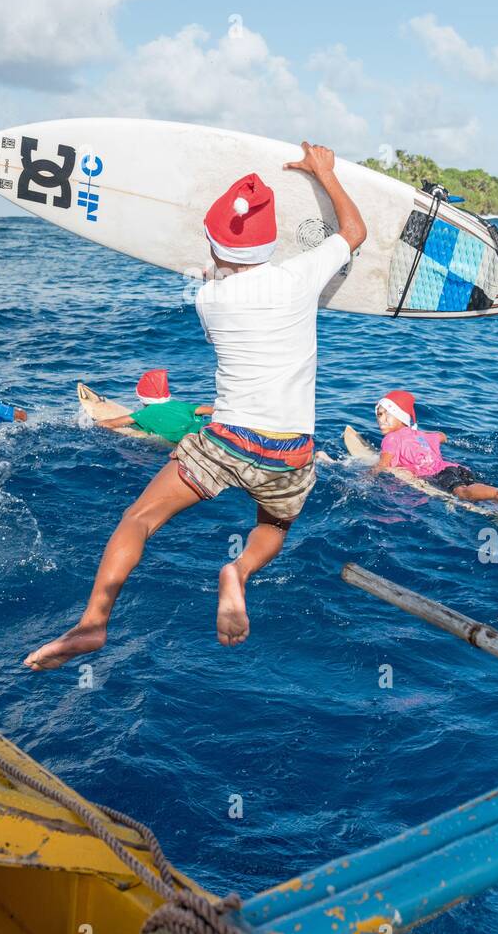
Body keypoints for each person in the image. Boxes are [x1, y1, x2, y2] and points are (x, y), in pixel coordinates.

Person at [24, 141, 366, 668]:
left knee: (137, 519)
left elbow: (224, 277)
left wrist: (218, 269)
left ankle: (93, 624)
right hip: (291, 450)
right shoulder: (299, 277)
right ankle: (239, 572)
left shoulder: (210, 300)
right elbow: (354, 233)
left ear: (214, 248)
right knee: (273, 526)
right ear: (270, 244)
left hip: (226, 439)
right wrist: (324, 174)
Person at [370, 390, 498, 529]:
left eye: (384, 414)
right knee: (480, 490)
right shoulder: (424, 436)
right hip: (457, 468)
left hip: (439, 475)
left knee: (462, 492)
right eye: (378, 415)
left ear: (400, 416)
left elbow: (383, 464)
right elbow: (442, 436)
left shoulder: (390, 439)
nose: (381, 420)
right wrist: (418, 432)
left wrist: (367, 476)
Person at [94, 369, 213, 444]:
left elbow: (110, 424)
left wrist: (94, 424)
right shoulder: (181, 405)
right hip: (207, 429)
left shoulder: (144, 414)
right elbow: (212, 410)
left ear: (143, 398)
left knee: (141, 436)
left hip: (187, 440)